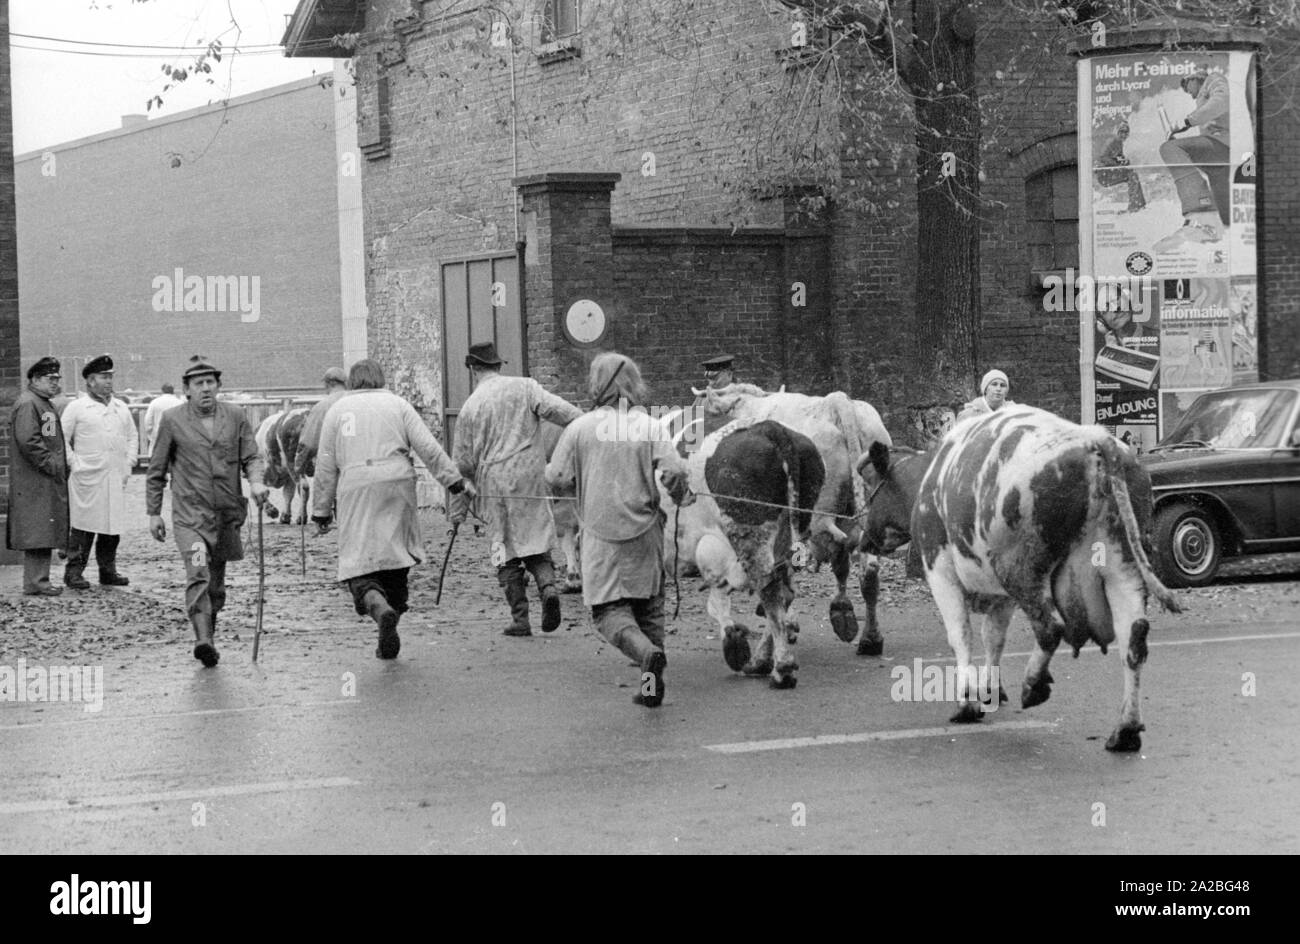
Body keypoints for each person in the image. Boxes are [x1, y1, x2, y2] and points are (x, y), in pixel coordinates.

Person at [545, 353, 691, 708]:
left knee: (608, 611)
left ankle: (644, 655)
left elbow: (558, 477)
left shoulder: (579, 427)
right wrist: (678, 491)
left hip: (600, 536)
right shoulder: (649, 425)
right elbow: (675, 470)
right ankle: (651, 687)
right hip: (645, 532)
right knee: (649, 610)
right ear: (633, 383)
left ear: (598, 385)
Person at [311, 358, 474, 660]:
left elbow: (325, 463)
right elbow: (428, 447)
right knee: (397, 552)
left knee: (359, 560)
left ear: (352, 383)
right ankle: (392, 609)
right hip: (397, 480)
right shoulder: (398, 405)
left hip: (357, 483)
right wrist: (454, 482)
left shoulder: (338, 410)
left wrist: (321, 511)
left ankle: (377, 605)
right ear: (381, 379)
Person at [452, 341, 582, 637]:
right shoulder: (526, 387)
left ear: (473, 369)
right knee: (536, 539)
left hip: (495, 483)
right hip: (531, 478)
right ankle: (548, 588)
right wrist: (591, 426)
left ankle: (520, 618)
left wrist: (458, 511)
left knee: (504, 548)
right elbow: (564, 412)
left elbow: (462, 465)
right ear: (498, 365)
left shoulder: (471, 406)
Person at [146, 356, 270, 667]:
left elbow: (251, 457)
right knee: (198, 572)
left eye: (210, 383)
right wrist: (154, 512)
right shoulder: (173, 420)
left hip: (226, 514)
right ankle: (202, 639)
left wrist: (256, 483)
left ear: (218, 386)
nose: (205, 389)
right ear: (186, 390)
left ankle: (209, 634)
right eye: (198, 384)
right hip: (191, 517)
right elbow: (156, 469)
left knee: (216, 585)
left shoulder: (235, 416)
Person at [60, 354, 136, 589]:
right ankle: (74, 572)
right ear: (90, 381)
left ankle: (108, 570)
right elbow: (60, 437)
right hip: (87, 477)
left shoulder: (120, 407)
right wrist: (74, 462)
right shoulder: (77, 407)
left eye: (110, 377)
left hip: (114, 476)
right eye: (103, 377)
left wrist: (129, 462)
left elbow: (133, 436)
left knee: (112, 526)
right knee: (84, 526)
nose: (108, 381)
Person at [6, 357, 70, 596]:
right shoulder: (30, 404)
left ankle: (39, 580)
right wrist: (52, 464)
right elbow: (29, 441)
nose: (55, 383)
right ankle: (36, 581)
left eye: (56, 379)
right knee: (38, 530)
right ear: (35, 380)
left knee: (42, 529)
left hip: (41, 479)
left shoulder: (40, 403)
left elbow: (43, 437)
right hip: (36, 480)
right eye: (50, 379)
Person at [1154, 68, 1231, 251]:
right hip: (1222, 153)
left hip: (1225, 145)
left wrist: (1188, 121)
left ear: (1194, 79)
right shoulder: (1205, 93)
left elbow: (1222, 101)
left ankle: (1201, 214)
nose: (1187, 92)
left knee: (1170, 148)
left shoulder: (1214, 80)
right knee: (1224, 212)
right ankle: (1216, 230)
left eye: (1185, 85)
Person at [293, 365, 350, 478]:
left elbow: (309, 443)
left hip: (334, 470)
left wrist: (299, 467)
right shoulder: (359, 401)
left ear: (328, 384)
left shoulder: (322, 407)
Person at [143, 382, 183, 457]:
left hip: (158, 438)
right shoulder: (180, 403)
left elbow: (148, 422)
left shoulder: (155, 402)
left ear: (162, 391)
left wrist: (151, 435)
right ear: (173, 391)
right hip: (176, 440)